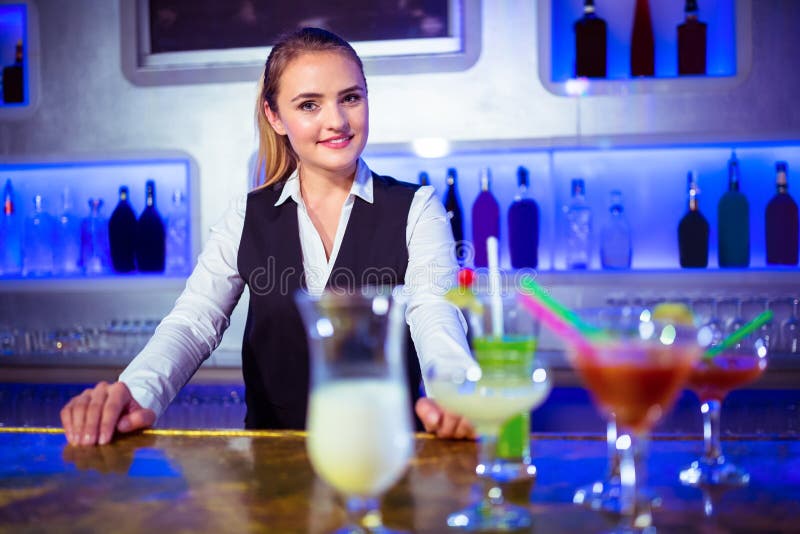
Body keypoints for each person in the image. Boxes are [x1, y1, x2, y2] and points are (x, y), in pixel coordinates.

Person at [60, 27, 475, 446]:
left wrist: (455, 391)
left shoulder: (417, 208)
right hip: (272, 472)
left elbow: (434, 309)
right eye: (309, 104)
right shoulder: (247, 215)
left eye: (350, 97)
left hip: (385, 461)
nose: (337, 121)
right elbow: (193, 322)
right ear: (275, 116)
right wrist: (137, 392)